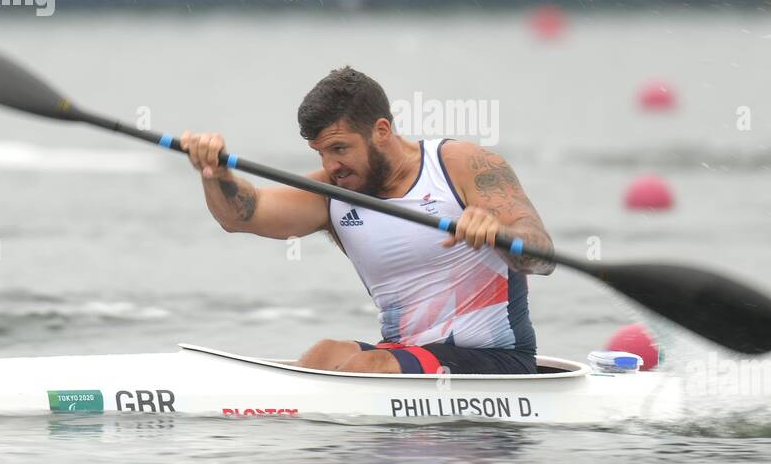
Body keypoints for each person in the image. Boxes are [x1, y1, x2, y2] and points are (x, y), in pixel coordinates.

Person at [182, 67, 554, 374]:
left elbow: (542, 255)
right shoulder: (335, 192)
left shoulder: (460, 164)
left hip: (498, 363)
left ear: (381, 131)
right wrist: (215, 173)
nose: (330, 166)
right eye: (321, 152)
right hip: (405, 358)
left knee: (368, 365)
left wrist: (501, 235)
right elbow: (243, 216)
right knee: (323, 355)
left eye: (340, 148)